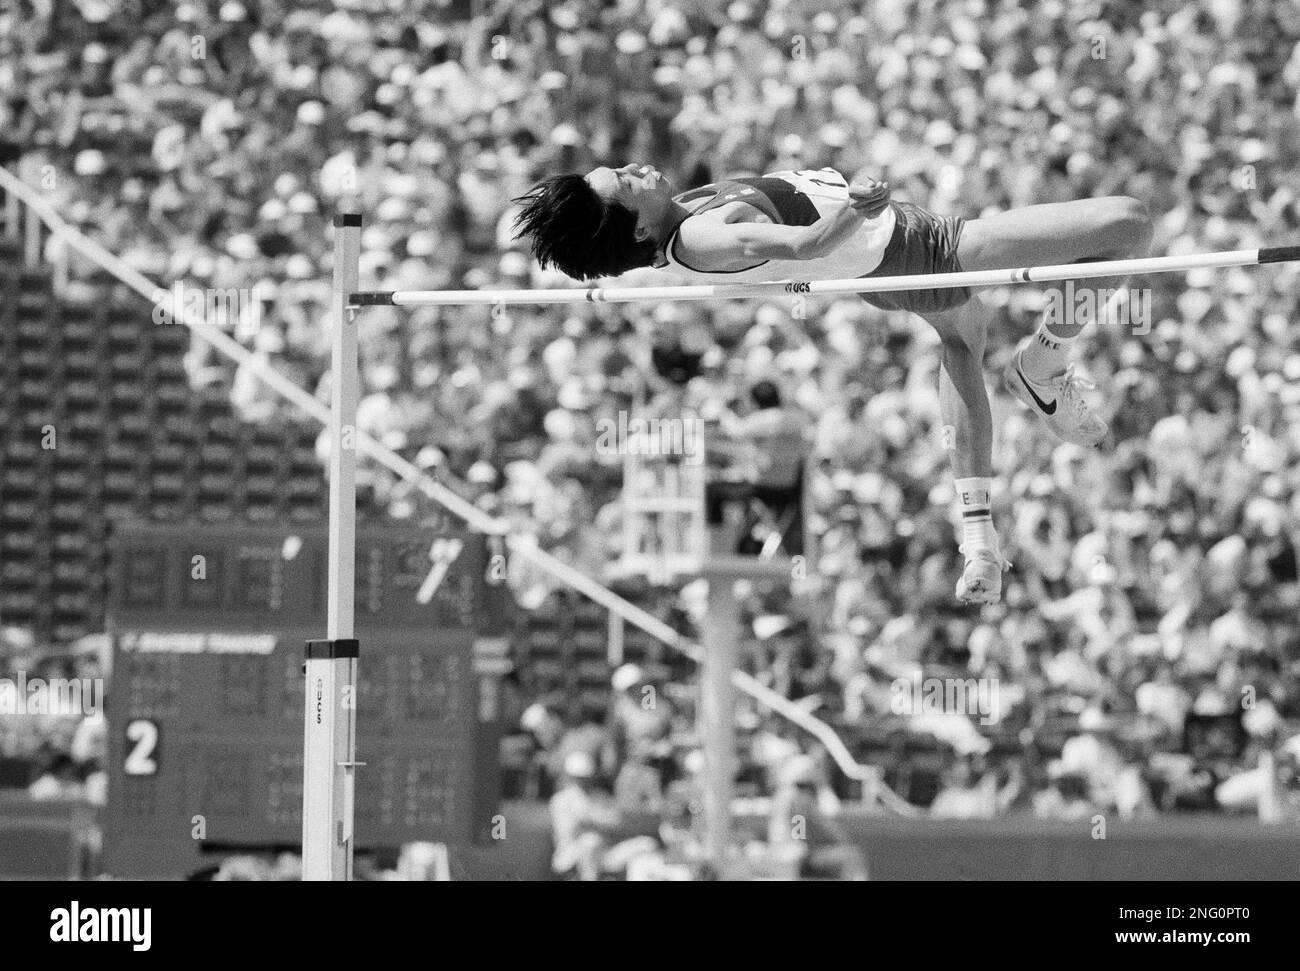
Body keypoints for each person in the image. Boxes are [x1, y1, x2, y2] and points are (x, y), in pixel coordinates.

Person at [514, 164, 1152, 605]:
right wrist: (857, 207)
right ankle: (1043, 363)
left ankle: (979, 539)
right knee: (1126, 223)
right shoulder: (701, 235)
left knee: (962, 342)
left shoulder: (684, 217)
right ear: (640, 230)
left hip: (891, 259)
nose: (635, 169)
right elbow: (804, 247)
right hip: (925, 252)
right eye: (624, 184)